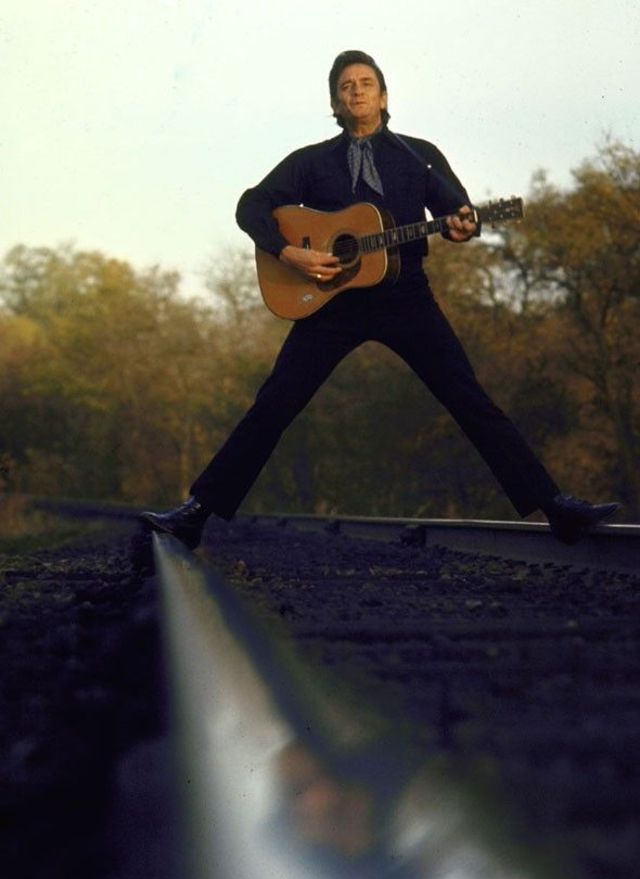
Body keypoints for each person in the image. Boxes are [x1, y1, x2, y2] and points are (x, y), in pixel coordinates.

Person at [141, 50, 618, 549]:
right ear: (335, 102)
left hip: (406, 298)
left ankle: (554, 507)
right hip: (333, 305)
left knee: (468, 397)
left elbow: (459, 215)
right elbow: (250, 206)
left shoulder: (419, 155)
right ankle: (196, 513)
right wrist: (289, 253)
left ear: (384, 96)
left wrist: (464, 226)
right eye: (346, 86)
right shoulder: (311, 162)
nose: (357, 91)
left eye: (366, 83)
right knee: (275, 402)